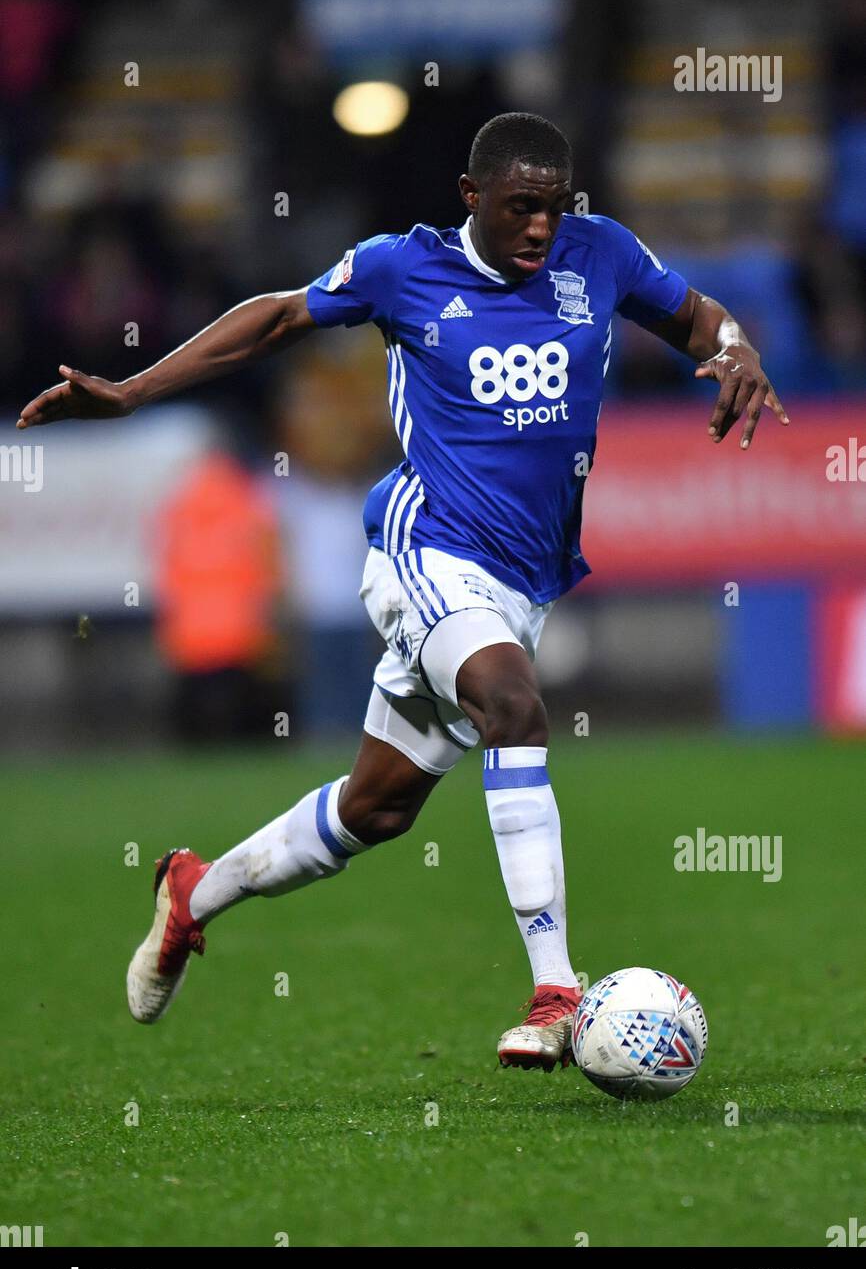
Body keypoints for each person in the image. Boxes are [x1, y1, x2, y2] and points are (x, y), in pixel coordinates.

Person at [18, 112, 788, 1070]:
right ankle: (556, 990)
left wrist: (735, 353)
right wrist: (134, 390)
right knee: (513, 706)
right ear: (473, 200)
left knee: (375, 810)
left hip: (524, 580)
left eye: (552, 207)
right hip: (426, 549)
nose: (541, 229)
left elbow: (699, 318)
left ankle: (194, 893)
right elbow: (282, 315)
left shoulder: (604, 257)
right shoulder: (403, 270)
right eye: (519, 209)